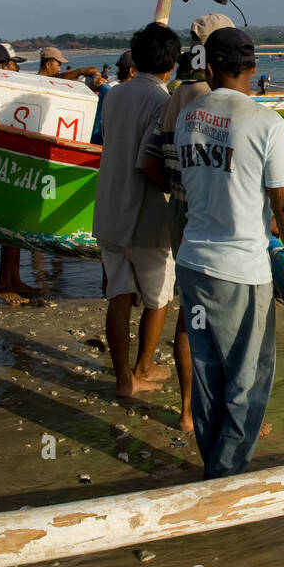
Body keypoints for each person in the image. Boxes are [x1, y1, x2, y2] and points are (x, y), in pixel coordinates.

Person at [175, 27, 284, 478]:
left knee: (208, 378)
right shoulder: (266, 122)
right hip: (241, 268)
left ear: (207, 68)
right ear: (254, 68)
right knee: (249, 381)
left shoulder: (189, 116)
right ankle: (223, 480)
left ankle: (214, 467)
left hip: (192, 263)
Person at [141, 13, 236, 430]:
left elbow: (150, 161)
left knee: (190, 311)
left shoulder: (176, 92)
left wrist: (180, 190)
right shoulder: (207, 96)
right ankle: (224, 411)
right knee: (223, 314)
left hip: (180, 211)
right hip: (209, 214)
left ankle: (187, 410)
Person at [93, 23, 182, 403]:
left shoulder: (113, 95)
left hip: (110, 210)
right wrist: (177, 190)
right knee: (158, 297)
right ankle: (142, 367)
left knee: (119, 295)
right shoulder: (165, 102)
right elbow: (149, 163)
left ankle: (123, 378)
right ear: (173, 64)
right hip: (147, 216)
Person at [0, 42, 45, 304]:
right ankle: (3, 283)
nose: (17, 68)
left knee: (16, 226)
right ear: (2, 66)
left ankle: (14, 279)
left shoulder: (6, 89)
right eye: (13, 63)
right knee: (10, 227)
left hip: (14, 162)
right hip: (2, 164)